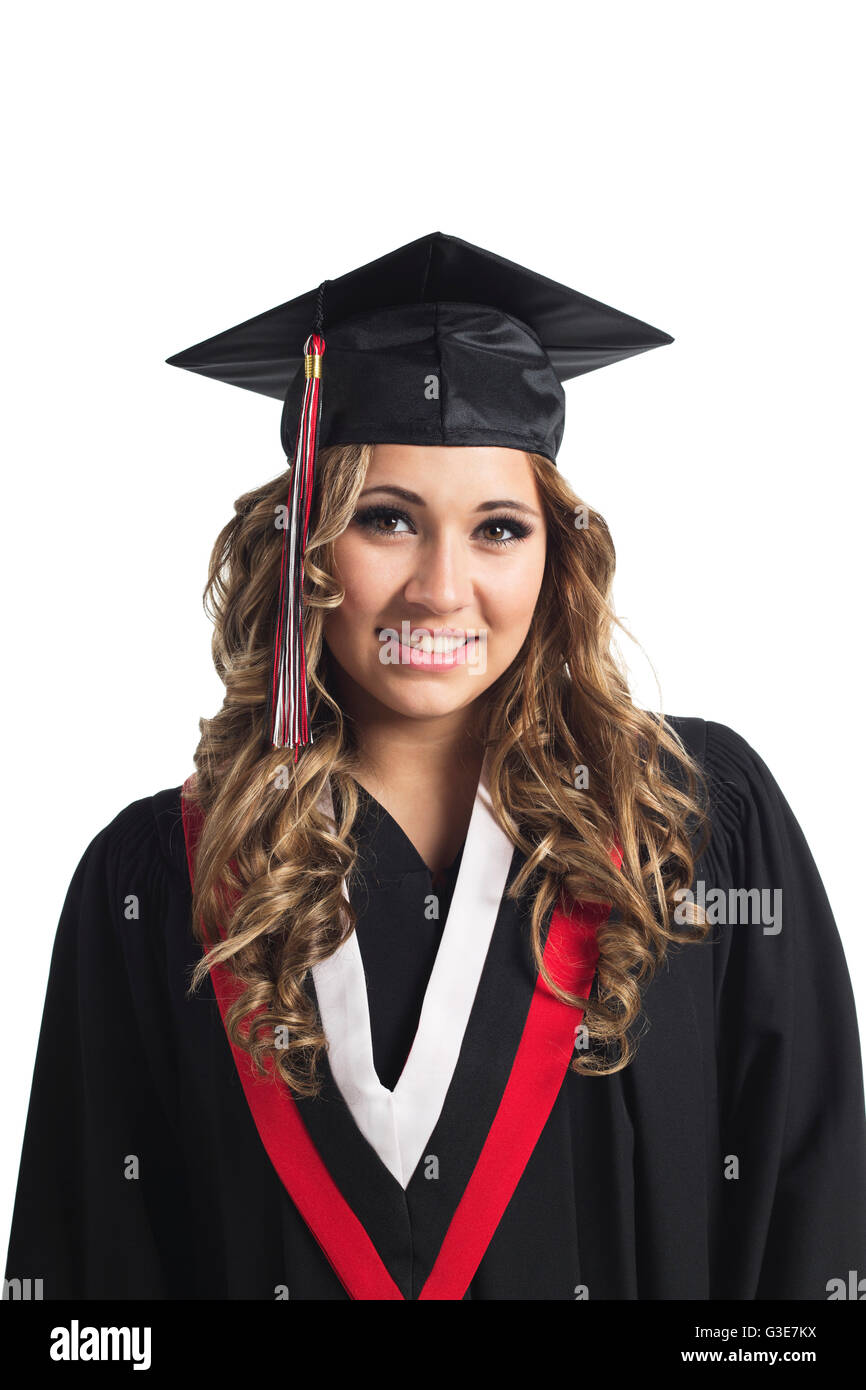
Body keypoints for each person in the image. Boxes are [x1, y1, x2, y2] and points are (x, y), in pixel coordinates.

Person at [4, 232, 865, 1301]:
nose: (440, 588)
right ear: (304, 540)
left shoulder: (687, 817)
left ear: (556, 554)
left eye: (497, 528)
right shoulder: (159, 876)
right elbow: (94, 1273)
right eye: (385, 519)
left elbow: (804, 1207)